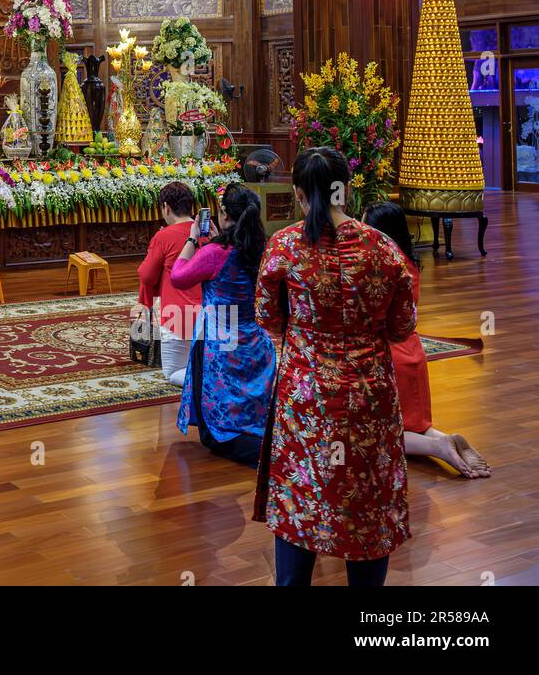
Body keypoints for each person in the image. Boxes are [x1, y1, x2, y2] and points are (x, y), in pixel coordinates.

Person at [255, 146, 417, 587]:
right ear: (345, 188)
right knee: (367, 500)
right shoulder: (383, 249)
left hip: (306, 397)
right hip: (369, 397)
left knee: (300, 494)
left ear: (300, 195)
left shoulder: (284, 246)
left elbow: (267, 317)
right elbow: (403, 326)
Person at [363, 202, 491, 479]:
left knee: (379, 436)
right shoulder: (408, 264)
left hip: (390, 357)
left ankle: (437, 446)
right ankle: (444, 437)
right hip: (414, 354)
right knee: (416, 424)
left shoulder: (379, 269)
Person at [170, 184, 276, 466]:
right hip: (254, 339)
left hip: (220, 341)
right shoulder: (263, 246)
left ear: (225, 214)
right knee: (249, 410)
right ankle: (271, 441)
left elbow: (178, 276)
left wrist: (192, 240)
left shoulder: (217, 252)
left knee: (216, 434)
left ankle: (268, 452)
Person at [137, 182, 204, 385]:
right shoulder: (210, 234)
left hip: (178, 316)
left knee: (173, 372)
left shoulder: (164, 236)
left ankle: (209, 382)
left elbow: (147, 276)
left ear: (166, 207)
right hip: (211, 316)